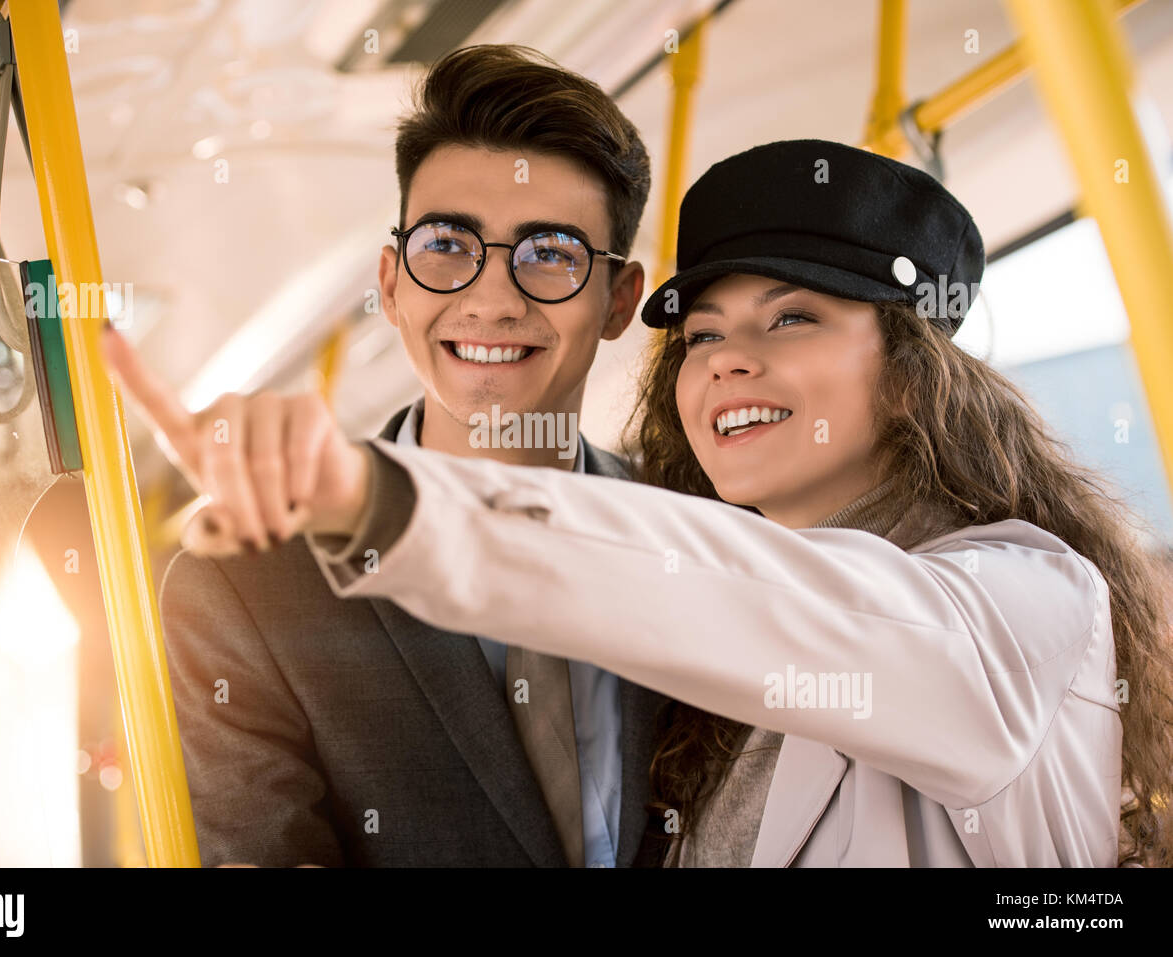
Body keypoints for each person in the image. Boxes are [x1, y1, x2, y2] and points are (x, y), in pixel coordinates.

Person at [203, 139, 1173, 866]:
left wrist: (383, 496)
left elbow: (797, 607)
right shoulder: (714, 690)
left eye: (792, 317)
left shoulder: (1023, 602)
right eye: (701, 336)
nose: (728, 361)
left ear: (917, 377)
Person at [102, 44, 672, 866]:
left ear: (619, 301)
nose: (491, 299)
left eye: (550, 254)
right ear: (393, 282)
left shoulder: (697, 540)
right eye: (447, 244)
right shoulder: (244, 592)